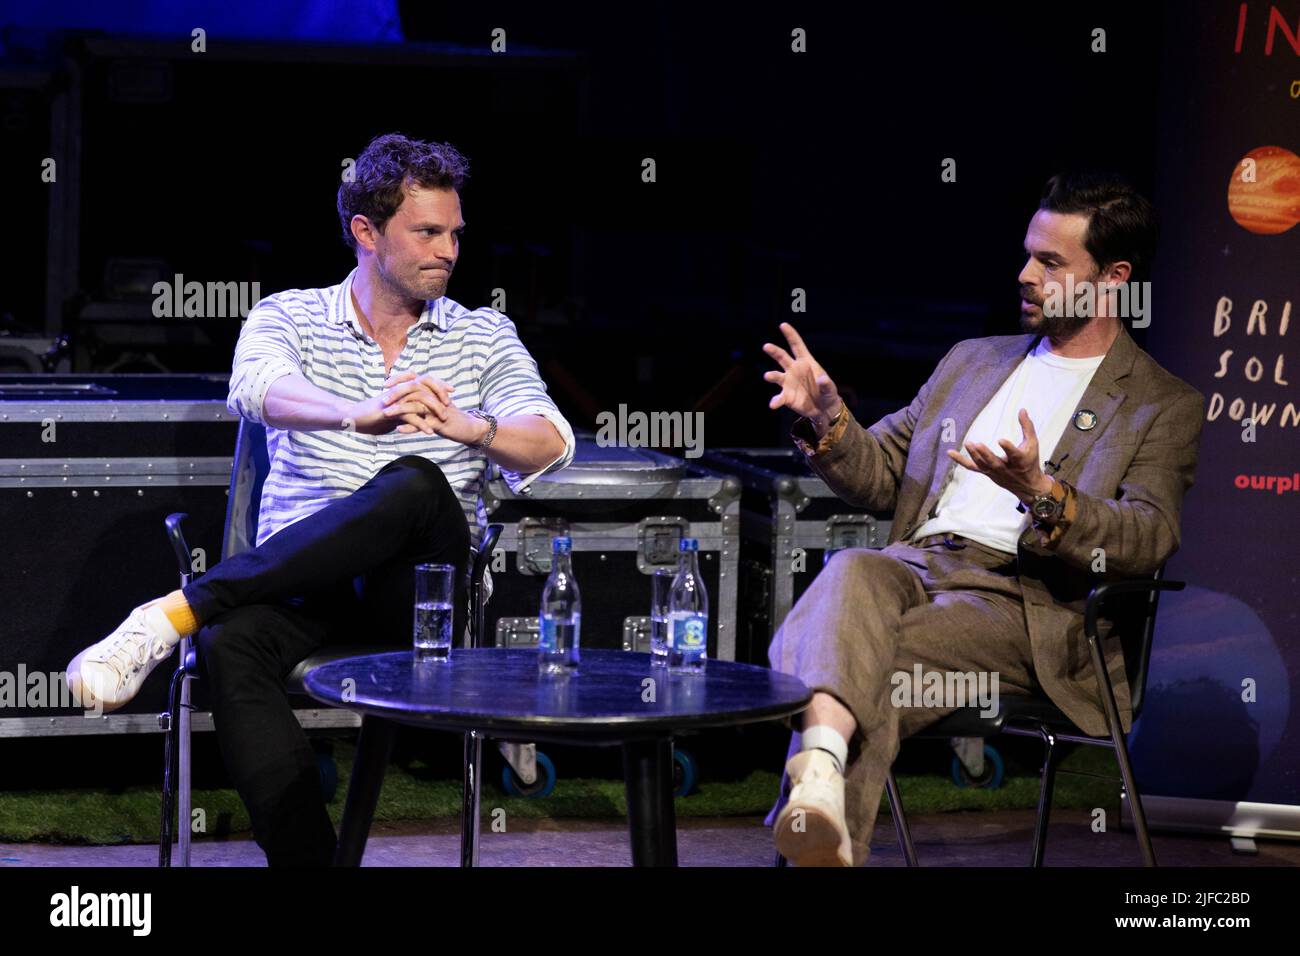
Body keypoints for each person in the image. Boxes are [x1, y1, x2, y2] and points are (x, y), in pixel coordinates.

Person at [66, 132, 575, 866]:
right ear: (366, 232)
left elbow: (553, 442)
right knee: (230, 643)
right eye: (427, 232)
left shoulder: (482, 334)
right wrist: (352, 410)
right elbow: (257, 388)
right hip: (304, 590)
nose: (449, 250)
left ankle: (177, 608)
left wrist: (470, 426)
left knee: (415, 484)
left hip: (418, 600)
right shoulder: (289, 315)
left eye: (455, 232)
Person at [763, 171, 1205, 866]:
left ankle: (816, 803)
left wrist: (1043, 491)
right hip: (915, 564)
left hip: (1023, 604)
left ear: (1114, 277)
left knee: (861, 663)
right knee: (851, 569)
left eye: (1051, 263)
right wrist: (828, 419)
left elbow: (1147, 539)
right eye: (1029, 254)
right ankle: (819, 782)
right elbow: (883, 476)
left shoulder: (1160, 404)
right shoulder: (973, 361)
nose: (1025, 274)